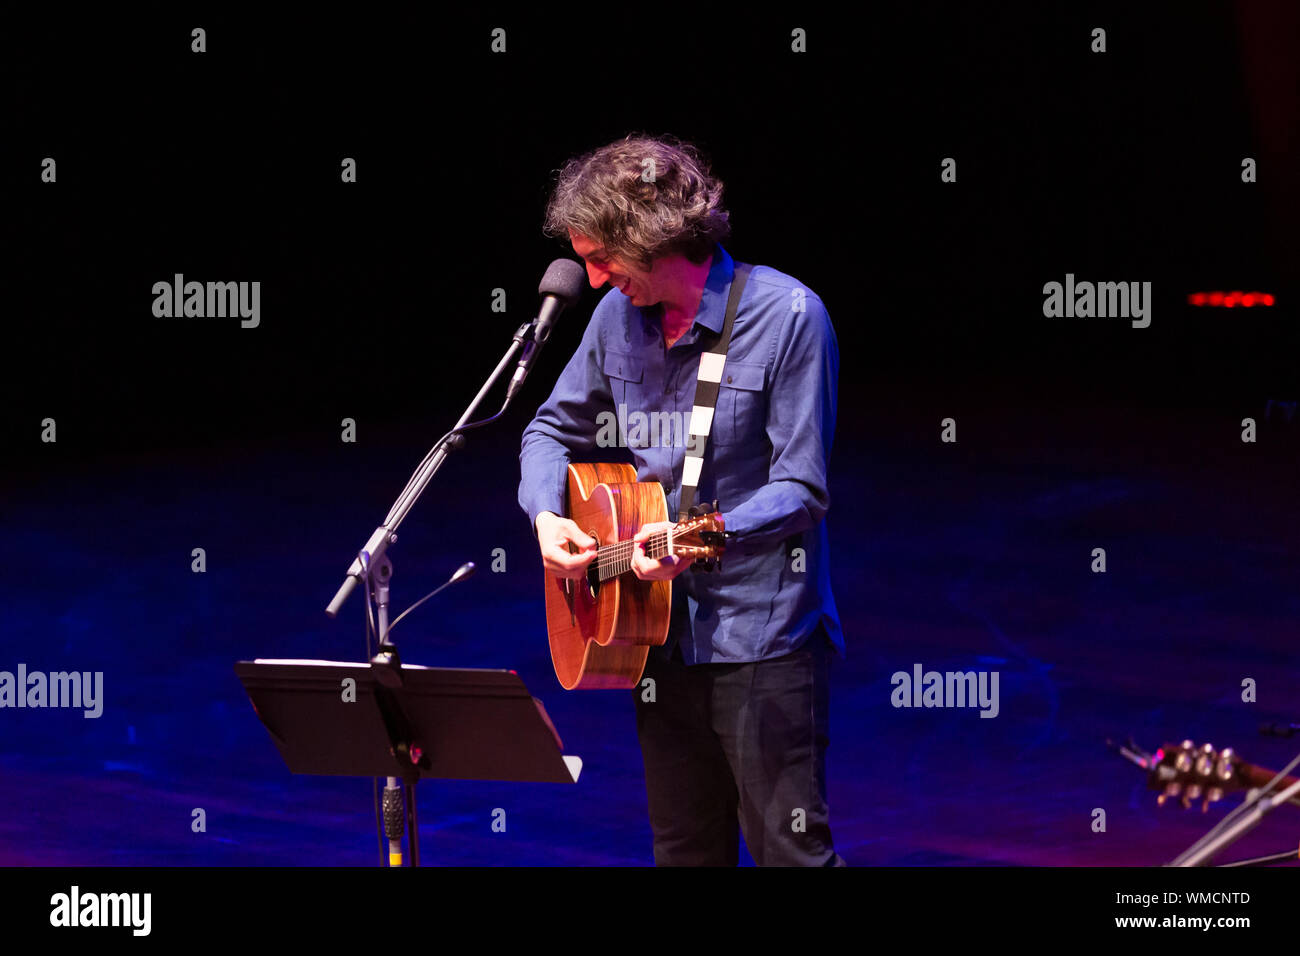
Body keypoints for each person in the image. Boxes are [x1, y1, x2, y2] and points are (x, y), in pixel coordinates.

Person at [518, 133, 846, 866]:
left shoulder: (790, 317)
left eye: (603, 259)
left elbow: (802, 487)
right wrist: (545, 514)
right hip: (655, 639)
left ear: (652, 237)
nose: (597, 281)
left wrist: (705, 532)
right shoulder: (613, 321)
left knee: (791, 854)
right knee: (684, 852)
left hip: (763, 640)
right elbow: (547, 429)